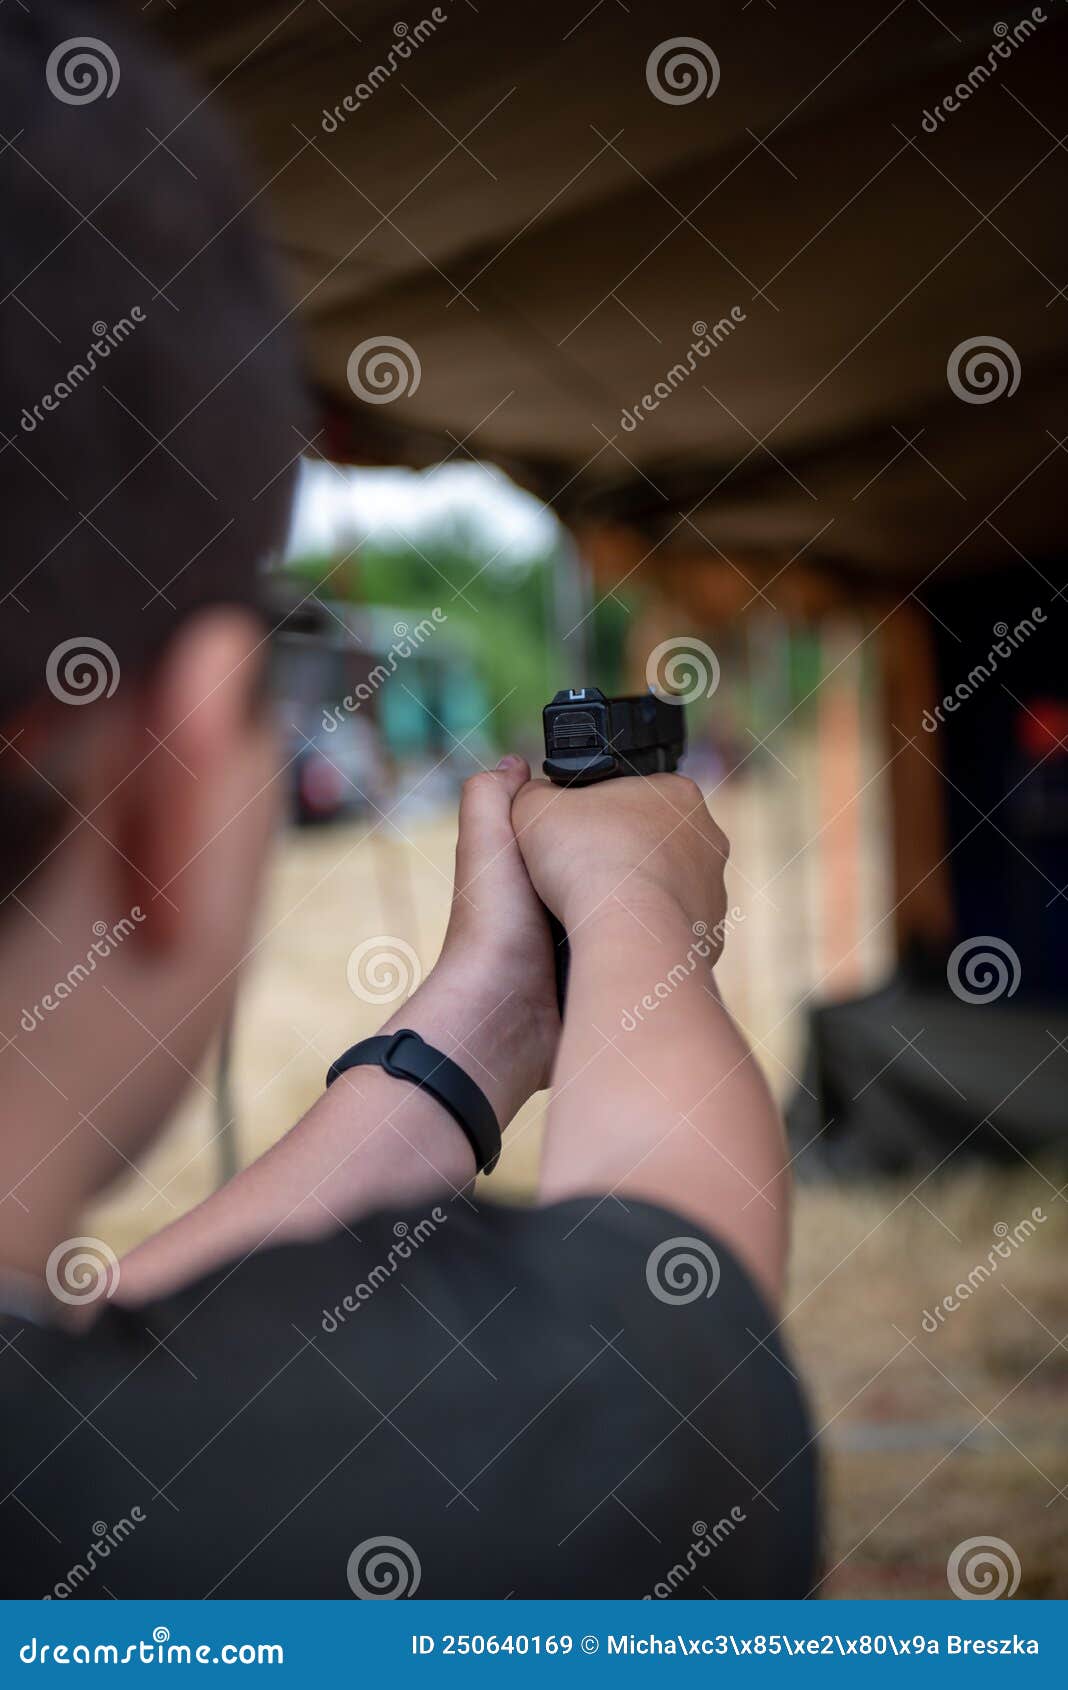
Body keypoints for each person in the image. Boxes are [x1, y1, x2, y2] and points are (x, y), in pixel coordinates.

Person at [0, 0, 815, 1598]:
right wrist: (640, 914)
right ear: (168, 786)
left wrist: (464, 1041)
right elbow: (668, 1321)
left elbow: (72, 1358)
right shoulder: (298, 1541)